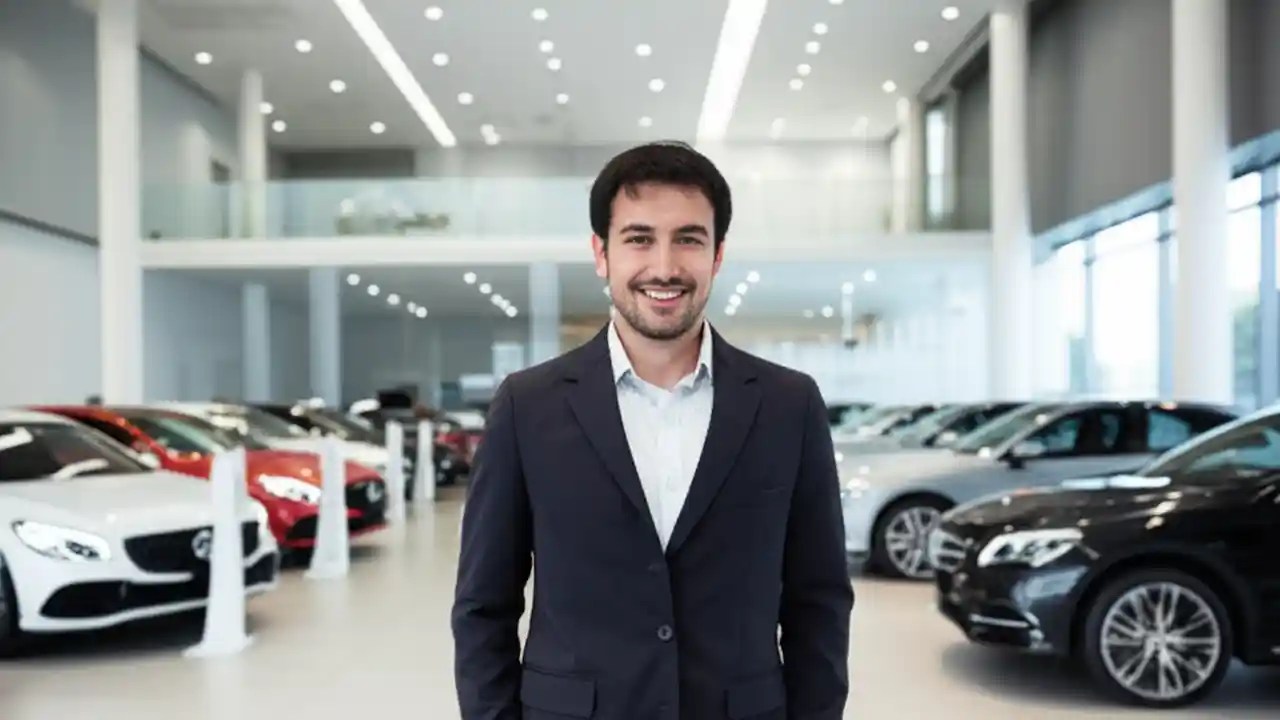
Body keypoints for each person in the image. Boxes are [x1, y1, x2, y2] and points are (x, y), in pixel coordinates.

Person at [452, 142, 853, 719]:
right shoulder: (526, 406)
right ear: (601, 253)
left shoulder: (790, 406)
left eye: (688, 239)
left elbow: (819, 603)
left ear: (716, 256)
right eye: (639, 238)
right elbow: (482, 607)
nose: (664, 267)